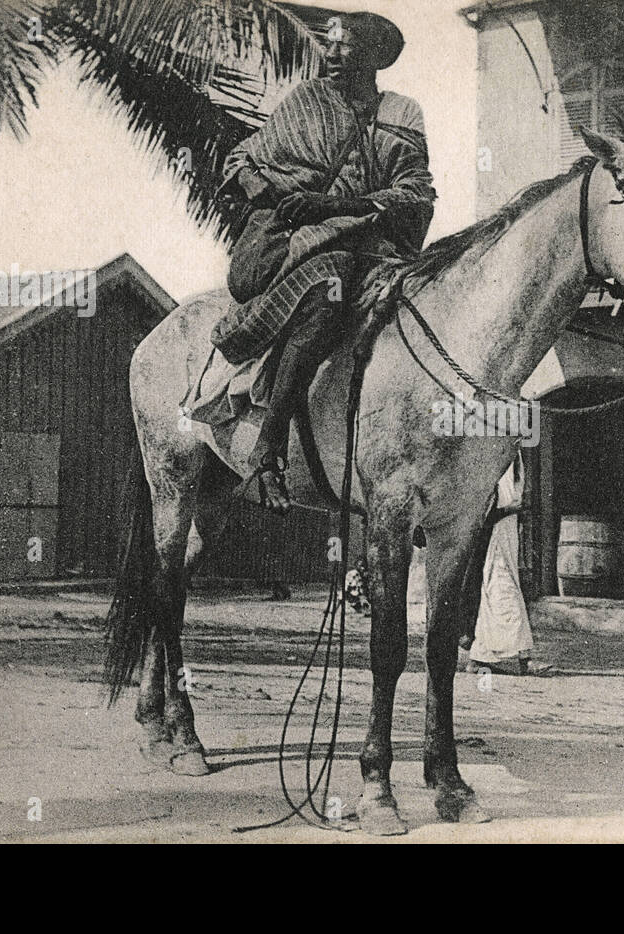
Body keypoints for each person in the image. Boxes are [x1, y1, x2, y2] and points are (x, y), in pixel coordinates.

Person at [216, 11, 436, 511]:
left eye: (346, 45)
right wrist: (273, 189)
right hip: (295, 244)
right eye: (328, 45)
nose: (332, 54)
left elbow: (416, 193)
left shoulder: (402, 113)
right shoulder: (304, 101)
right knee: (327, 303)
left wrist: (337, 206)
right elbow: (242, 161)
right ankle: (267, 453)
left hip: (375, 244)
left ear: (377, 56)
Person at [462, 456, 551, 676]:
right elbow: (482, 511)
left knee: (500, 595)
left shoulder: (515, 460)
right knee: (503, 592)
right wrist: (510, 510)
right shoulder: (495, 463)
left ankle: (479, 656)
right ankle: (525, 660)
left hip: (509, 534)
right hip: (494, 537)